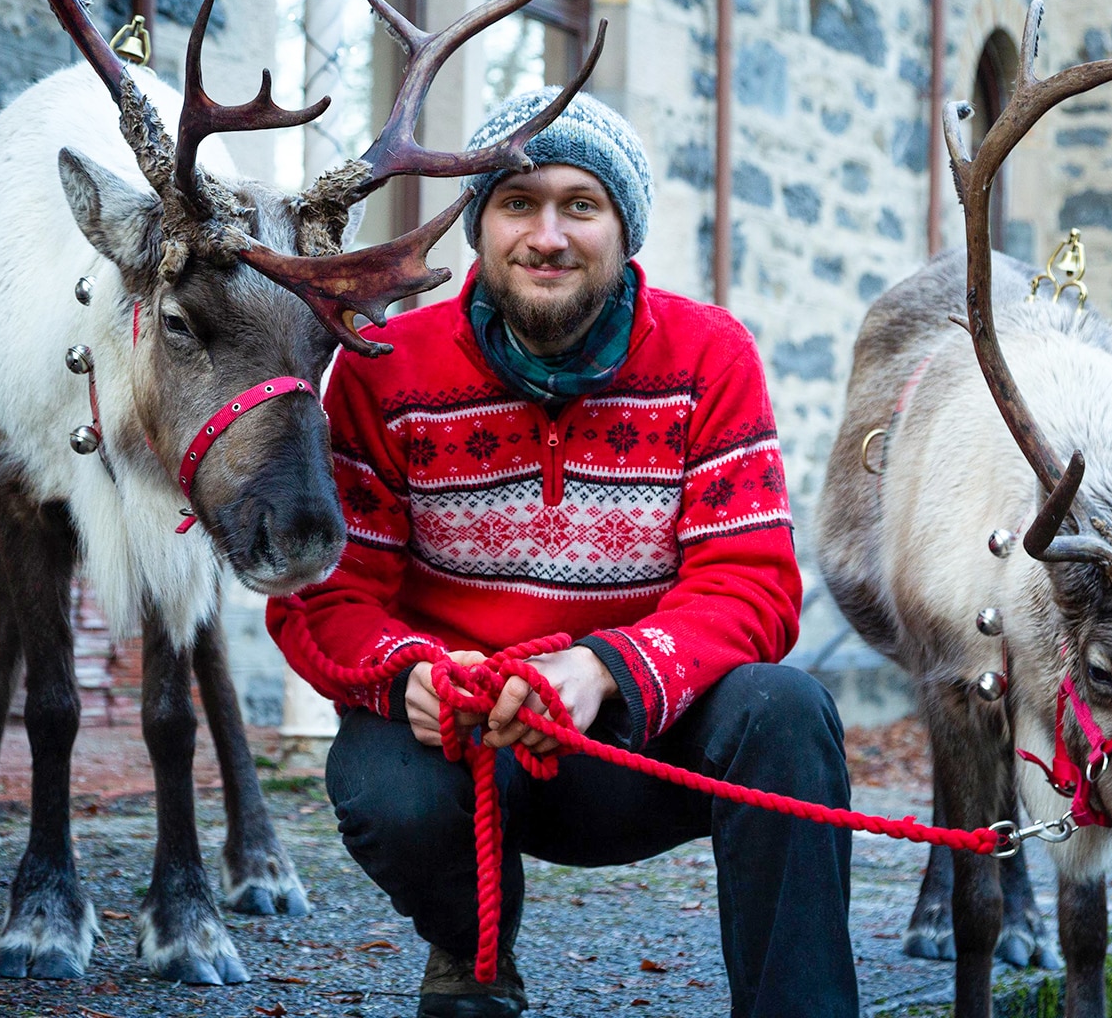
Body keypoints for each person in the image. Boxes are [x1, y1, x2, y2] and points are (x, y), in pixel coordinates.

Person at [267, 87, 856, 1018]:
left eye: (580, 205)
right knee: (385, 788)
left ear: (625, 230)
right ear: (480, 223)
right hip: (459, 743)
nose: (547, 235)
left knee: (787, 713)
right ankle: (472, 953)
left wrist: (605, 668)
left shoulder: (711, 356)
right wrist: (410, 672)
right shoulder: (386, 365)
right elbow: (329, 592)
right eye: (517, 202)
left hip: (639, 739)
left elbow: (751, 585)